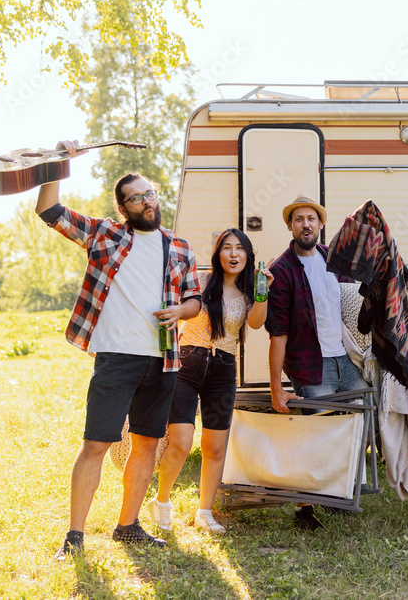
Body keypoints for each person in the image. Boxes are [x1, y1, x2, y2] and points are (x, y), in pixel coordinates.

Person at [36, 143, 202, 561]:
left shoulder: (180, 248)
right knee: (96, 444)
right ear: (123, 208)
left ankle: (128, 526)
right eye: (137, 197)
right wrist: (58, 163)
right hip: (116, 357)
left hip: (163, 360)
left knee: (147, 445)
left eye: (150, 193)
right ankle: (75, 536)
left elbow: (195, 300)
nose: (147, 201)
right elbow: (49, 209)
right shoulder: (105, 235)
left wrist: (181, 311)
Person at [148, 229, 272, 534]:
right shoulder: (201, 281)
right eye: (227, 248)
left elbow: (256, 323)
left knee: (215, 448)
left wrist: (263, 292)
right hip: (188, 364)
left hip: (223, 369)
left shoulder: (249, 293)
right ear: (218, 254)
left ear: (248, 256)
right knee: (180, 441)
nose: (233, 254)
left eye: (239, 248)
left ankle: (204, 512)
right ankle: (162, 501)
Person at [265, 194, 369, 531]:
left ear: (321, 224)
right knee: (316, 434)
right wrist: (276, 387)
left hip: (345, 359)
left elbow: (352, 300)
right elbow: (277, 334)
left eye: (311, 218)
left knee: (360, 422)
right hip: (312, 364)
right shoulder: (282, 271)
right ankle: (304, 508)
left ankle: (336, 492)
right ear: (290, 227)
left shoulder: (331, 258)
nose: (305, 224)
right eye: (298, 220)